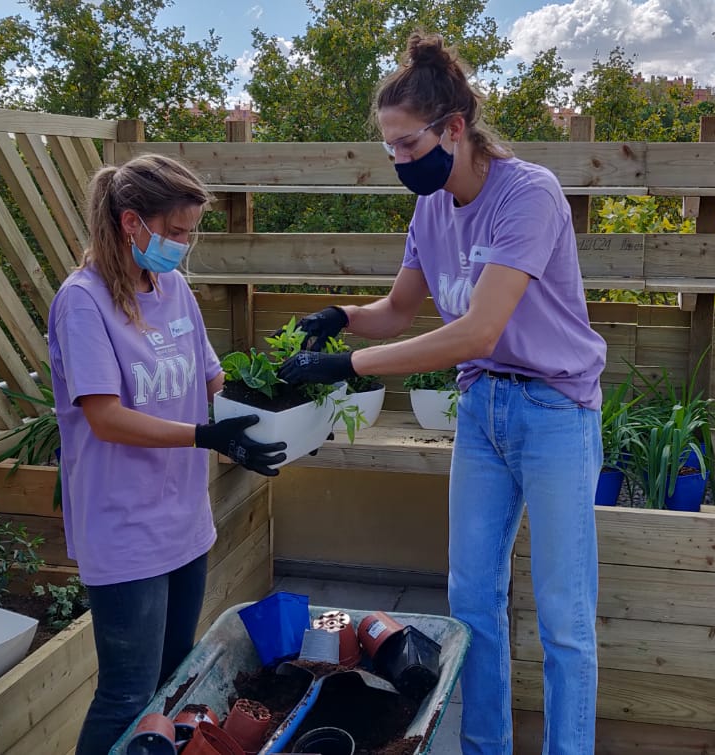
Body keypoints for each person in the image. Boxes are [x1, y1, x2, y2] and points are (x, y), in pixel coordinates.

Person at [276, 32, 607, 755]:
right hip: (483, 412)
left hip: (555, 411)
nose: (398, 160)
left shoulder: (529, 196)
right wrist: (340, 318)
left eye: (406, 144)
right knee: (471, 606)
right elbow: (398, 308)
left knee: (563, 617)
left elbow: (478, 330)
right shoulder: (430, 210)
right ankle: (482, 748)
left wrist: (350, 366)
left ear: (453, 128)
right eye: (389, 148)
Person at [49, 154, 286, 755]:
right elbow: (105, 418)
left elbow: (210, 384)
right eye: (176, 232)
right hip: (123, 527)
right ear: (133, 222)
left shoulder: (174, 289)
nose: (184, 245)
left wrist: (278, 416)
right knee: (128, 694)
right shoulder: (84, 302)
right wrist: (204, 438)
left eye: (190, 232)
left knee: (175, 679)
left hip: (183, 519)